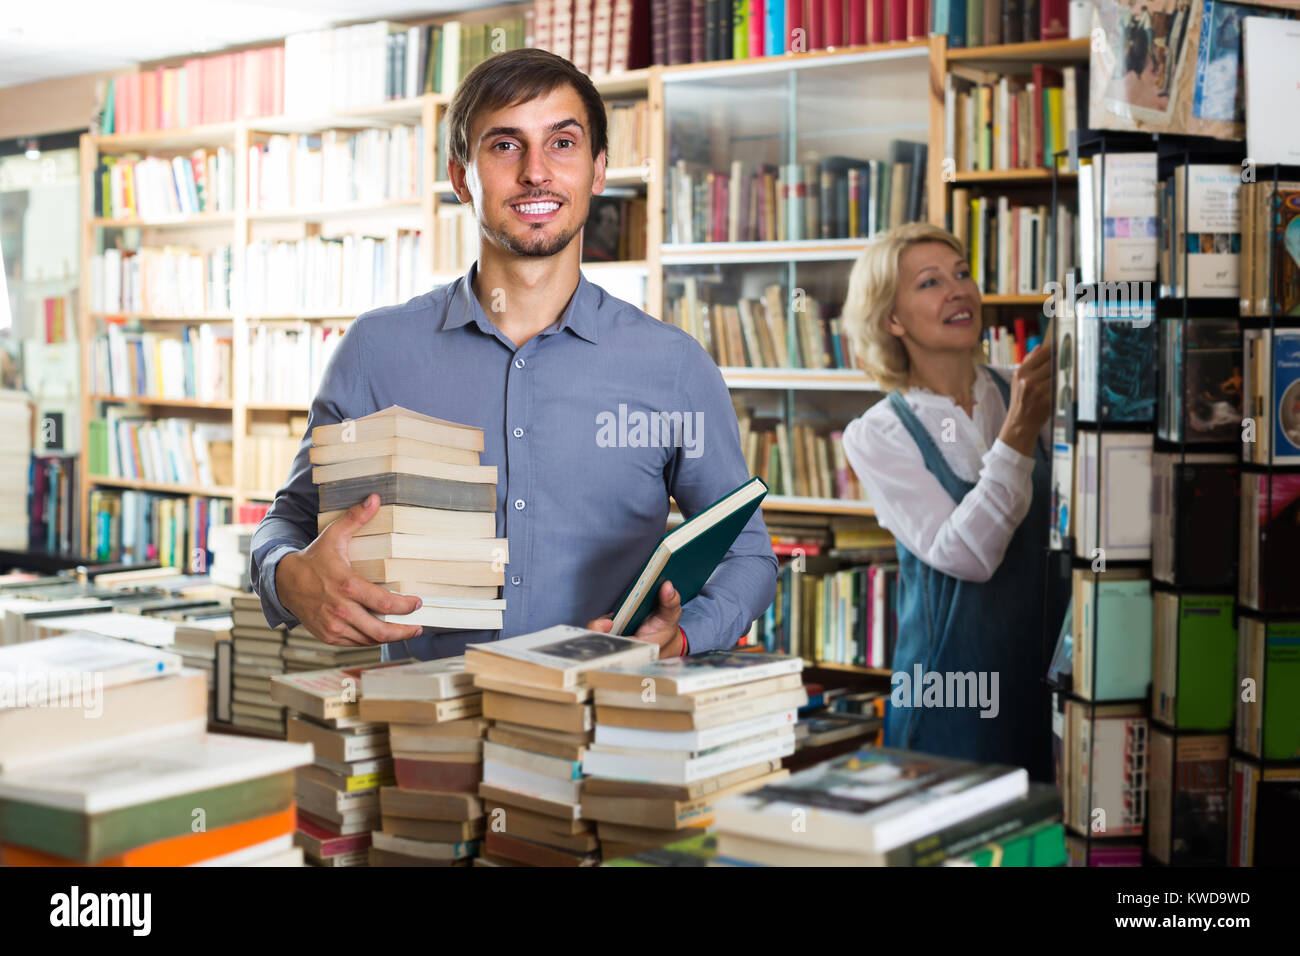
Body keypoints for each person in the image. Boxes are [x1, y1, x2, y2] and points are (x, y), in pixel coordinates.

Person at [249, 48, 777, 662]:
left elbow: (747, 555)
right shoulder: (377, 351)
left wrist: (682, 636)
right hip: (428, 735)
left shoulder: (673, 367)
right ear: (460, 176)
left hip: (607, 723)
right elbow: (288, 522)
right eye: (504, 145)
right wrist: (290, 578)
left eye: (562, 143)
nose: (535, 172)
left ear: (598, 169)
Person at [839, 222, 1065, 780]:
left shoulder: (1026, 390)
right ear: (891, 319)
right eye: (930, 282)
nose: (958, 290)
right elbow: (970, 556)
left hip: (1046, 688)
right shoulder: (878, 433)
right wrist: (1017, 435)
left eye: (962, 274)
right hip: (951, 702)